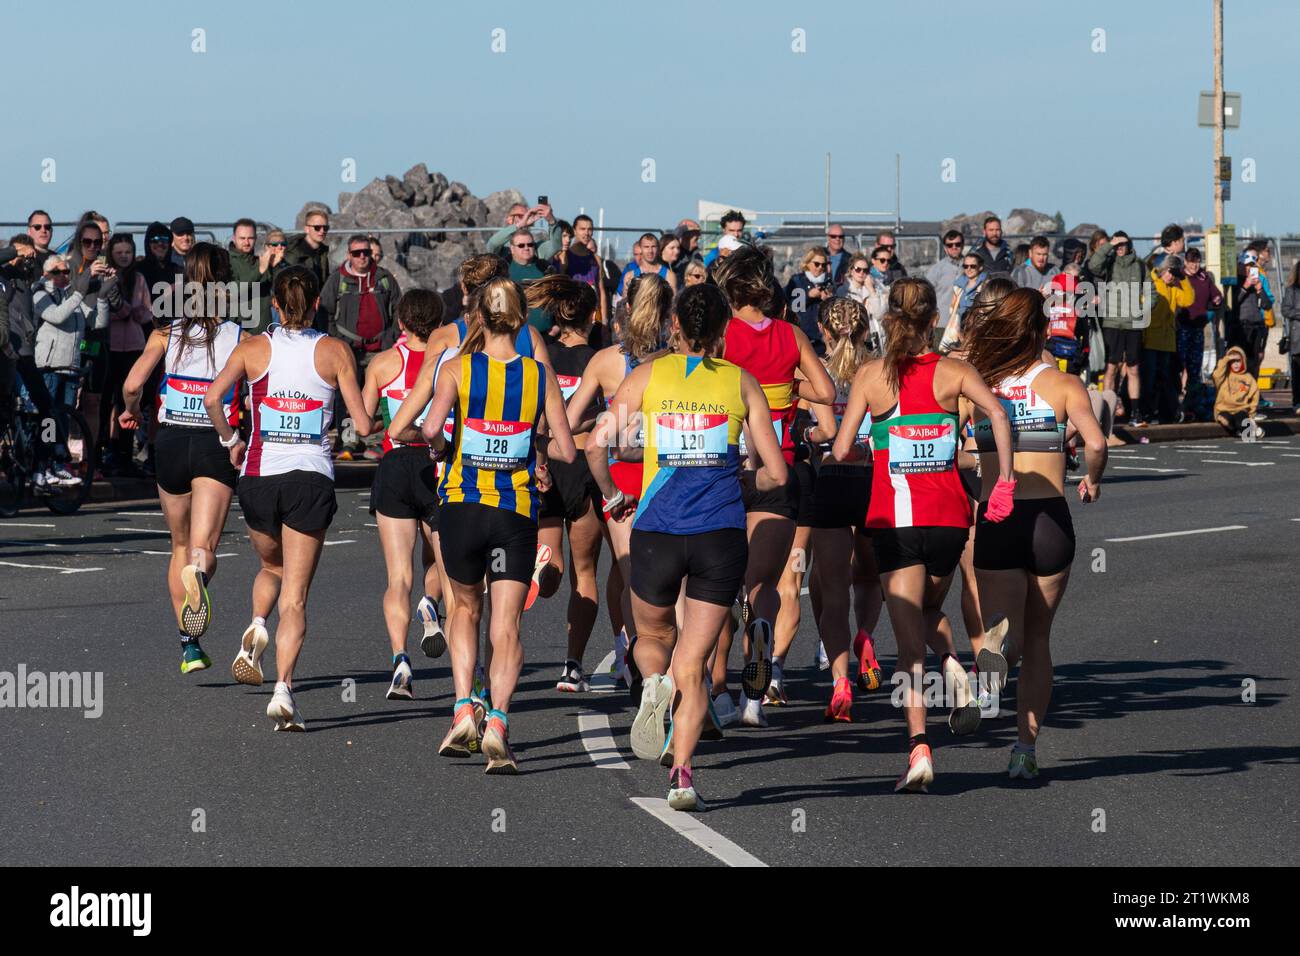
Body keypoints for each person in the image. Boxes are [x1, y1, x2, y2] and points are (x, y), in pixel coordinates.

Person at [589, 282, 787, 810]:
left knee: (652, 635)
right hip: (719, 535)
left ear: (674, 325)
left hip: (655, 531)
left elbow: (594, 445)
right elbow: (777, 472)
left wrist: (612, 497)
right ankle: (681, 775)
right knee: (694, 665)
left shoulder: (646, 376)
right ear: (725, 329)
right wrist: (739, 479)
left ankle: (652, 680)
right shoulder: (742, 383)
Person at [830, 277, 1016, 792]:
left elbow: (843, 451)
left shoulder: (871, 376)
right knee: (930, 610)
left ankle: (919, 749)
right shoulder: (955, 371)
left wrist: (877, 448)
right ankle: (954, 664)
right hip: (950, 521)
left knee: (909, 643)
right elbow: (999, 414)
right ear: (933, 320)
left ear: (888, 318)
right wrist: (1005, 481)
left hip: (894, 524)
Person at [407, 276, 576, 772]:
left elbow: (431, 430)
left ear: (478, 318)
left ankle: (463, 709)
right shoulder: (539, 374)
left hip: (462, 505)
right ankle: (498, 720)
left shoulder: (458, 368)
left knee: (464, 609)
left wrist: (443, 450)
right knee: (507, 623)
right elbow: (565, 448)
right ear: (522, 320)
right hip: (514, 511)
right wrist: (534, 448)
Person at [204, 266, 374, 731]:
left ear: (274, 304)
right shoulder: (335, 351)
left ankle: (258, 622)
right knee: (295, 598)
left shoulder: (253, 347)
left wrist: (231, 442)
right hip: (310, 478)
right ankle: (284, 688)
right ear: (318, 303)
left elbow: (213, 398)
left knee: (270, 567)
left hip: (259, 476)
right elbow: (361, 425)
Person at [961, 286, 1107, 780]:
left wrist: (978, 477)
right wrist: (1092, 479)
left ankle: (995, 656)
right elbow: (1096, 442)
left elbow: (953, 450)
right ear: (1043, 331)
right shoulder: (1063, 385)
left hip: (997, 514)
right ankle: (1025, 749)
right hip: (1049, 517)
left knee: (1003, 626)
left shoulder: (977, 384)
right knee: (1040, 637)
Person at [713, 245, 835, 728]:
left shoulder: (723, 335)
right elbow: (826, 392)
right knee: (764, 584)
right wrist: (785, 386)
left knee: (717, 587)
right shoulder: (788, 333)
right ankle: (754, 694)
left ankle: (718, 691)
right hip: (779, 469)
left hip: (726, 470)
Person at [119, 243, 245, 674]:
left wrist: (132, 411)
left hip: (170, 440)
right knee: (203, 547)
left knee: (177, 544)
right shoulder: (238, 336)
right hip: (214, 440)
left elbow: (134, 383)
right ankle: (199, 577)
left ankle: (189, 645)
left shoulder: (166, 331)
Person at [562, 275, 673, 688]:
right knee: (669, 574)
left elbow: (571, 422)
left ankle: (637, 660)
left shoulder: (607, 360)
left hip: (622, 475)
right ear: (668, 314)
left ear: (626, 309)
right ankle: (671, 661)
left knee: (632, 574)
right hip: (667, 470)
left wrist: (607, 419)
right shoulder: (676, 360)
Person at [362, 289, 447, 700]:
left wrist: (387, 416)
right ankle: (430, 602)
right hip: (438, 464)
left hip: (395, 465)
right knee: (445, 565)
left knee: (398, 576)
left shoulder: (382, 364)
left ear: (401, 323)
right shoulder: (451, 363)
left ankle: (400, 660)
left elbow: (363, 425)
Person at [802, 297, 884, 718]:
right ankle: (866, 635)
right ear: (867, 329)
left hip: (831, 478)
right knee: (869, 576)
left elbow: (815, 431)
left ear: (823, 328)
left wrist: (810, 434)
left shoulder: (815, 370)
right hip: (873, 478)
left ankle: (840, 681)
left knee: (830, 590)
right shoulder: (881, 369)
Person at [527, 276, 607, 691]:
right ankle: (573, 665)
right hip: (581, 465)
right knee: (586, 572)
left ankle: (544, 566)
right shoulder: (602, 360)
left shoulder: (543, 361)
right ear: (593, 317)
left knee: (552, 553)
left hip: (546, 461)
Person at [319, 234, 401, 459]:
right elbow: (324, 313)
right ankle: (348, 442)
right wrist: (336, 341)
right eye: (357, 253)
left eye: (366, 252)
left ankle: (374, 442)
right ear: (349, 255)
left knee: (377, 397)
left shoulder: (384, 278)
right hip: (348, 350)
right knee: (348, 397)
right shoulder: (337, 280)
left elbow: (398, 311)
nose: (362, 257)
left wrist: (389, 339)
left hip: (379, 349)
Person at [33, 252, 109, 486]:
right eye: (57, 271)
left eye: (67, 272)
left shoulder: (70, 297)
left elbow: (96, 322)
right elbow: (56, 316)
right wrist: (78, 293)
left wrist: (103, 297)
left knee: (63, 420)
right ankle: (42, 465)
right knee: (48, 419)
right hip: (49, 367)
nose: (63, 275)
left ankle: (57, 465)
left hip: (70, 367)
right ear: (47, 273)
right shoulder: (39, 293)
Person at [100, 233, 153, 475]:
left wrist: (128, 310)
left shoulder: (139, 278)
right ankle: (105, 450)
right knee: (105, 400)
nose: (123, 256)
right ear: (112, 253)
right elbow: (107, 312)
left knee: (129, 401)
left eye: (127, 252)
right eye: (119, 252)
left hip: (133, 345)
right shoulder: (106, 276)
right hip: (109, 345)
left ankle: (125, 454)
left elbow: (145, 313)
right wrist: (125, 310)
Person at [1088, 230, 1148, 424]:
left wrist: (1143, 309)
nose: (1119, 249)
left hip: (1133, 324)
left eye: (1122, 245)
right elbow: (1093, 265)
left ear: (1129, 245)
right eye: (1117, 245)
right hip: (1112, 322)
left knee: (1133, 369)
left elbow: (1151, 290)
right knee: (1111, 368)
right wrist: (1109, 245)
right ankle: (1106, 412)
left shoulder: (1139, 265)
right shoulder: (1109, 263)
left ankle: (1136, 413)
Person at [1142, 255, 1194, 424]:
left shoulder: (1173, 288)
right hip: (1151, 340)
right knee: (1149, 379)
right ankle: (1147, 411)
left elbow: (1188, 299)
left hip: (1166, 341)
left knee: (1162, 379)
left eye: (1174, 274)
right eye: (1170, 272)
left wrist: (1183, 278)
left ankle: (1159, 411)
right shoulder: (1152, 285)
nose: (1171, 276)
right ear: (1162, 269)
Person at [1179, 248, 1223, 420]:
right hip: (1182, 326)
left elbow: (1216, 294)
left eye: (1197, 261)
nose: (1194, 265)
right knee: (1179, 364)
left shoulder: (1204, 277)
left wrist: (1217, 299)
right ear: (1185, 261)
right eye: (1191, 261)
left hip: (1198, 327)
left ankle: (1192, 402)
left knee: (1195, 366)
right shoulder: (1180, 277)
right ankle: (1178, 401)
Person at [1232, 240, 1273, 379]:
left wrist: (1259, 289)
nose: (1250, 269)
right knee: (1241, 361)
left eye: (1252, 266)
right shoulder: (1235, 281)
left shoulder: (1258, 279)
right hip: (1242, 325)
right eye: (1247, 266)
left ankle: (1253, 392)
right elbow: (1233, 302)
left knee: (1255, 361)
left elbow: (1267, 305)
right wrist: (1245, 286)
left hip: (1257, 324)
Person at [227, 218, 275, 334]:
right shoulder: (226, 261)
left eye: (250, 238)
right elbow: (232, 290)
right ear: (234, 238)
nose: (247, 242)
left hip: (265, 328)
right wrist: (259, 271)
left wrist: (275, 266)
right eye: (242, 238)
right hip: (242, 329)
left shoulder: (261, 261)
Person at [505, 228, 555, 334]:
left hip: (546, 335)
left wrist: (556, 329)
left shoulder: (545, 268)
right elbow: (492, 244)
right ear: (512, 249)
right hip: (513, 334)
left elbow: (557, 298)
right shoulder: (503, 269)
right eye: (521, 245)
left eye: (530, 244)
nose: (526, 248)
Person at [784, 246, 834, 350]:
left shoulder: (828, 282)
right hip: (802, 336)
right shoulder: (798, 281)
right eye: (816, 264)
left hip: (822, 339)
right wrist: (809, 296)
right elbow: (793, 308)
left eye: (823, 265)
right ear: (807, 263)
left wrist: (829, 299)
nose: (820, 267)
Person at [836, 253, 888, 347]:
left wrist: (871, 290)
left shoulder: (874, 288)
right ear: (851, 270)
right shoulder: (842, 291)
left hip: (873, 339)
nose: (861, 273)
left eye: (865, 270)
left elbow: (879, 314)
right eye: (858, 269)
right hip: (854, 339)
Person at [1212, 346, 1259, 435]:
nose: (1236, 364)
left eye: (1238, 361)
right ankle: (1235, 430)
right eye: (1233, 362)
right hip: (1224, 409)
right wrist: (1226, 358)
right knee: (1225, 420)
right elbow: (1216, 375)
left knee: (1241, 422)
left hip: (1240, 409)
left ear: (1243, 361)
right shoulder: (1223, 376)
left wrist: (1252, 413)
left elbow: (1255, 396)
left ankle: (1249, 426)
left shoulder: (1248, 378)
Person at [285, 208, 332, 290]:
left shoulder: (323, 252)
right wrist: (255, 303)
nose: (322, 231)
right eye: (317, 227)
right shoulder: (292, 252)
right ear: (306, 229)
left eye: (325, 228)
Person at [925, 230, 966, 310]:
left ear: (963, 245)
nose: (954, 247)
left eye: (957, 244)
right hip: (943, 319)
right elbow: (926, 295)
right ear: (945, 248)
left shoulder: (972, 267)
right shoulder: (936, 270)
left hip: (966, 319)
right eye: (950, 245)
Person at [1280, 260, 1300, 415]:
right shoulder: (1292, 290)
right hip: (1297, 336)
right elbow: (1286, 310)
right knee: (1297, 371)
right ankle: (1297, 402)